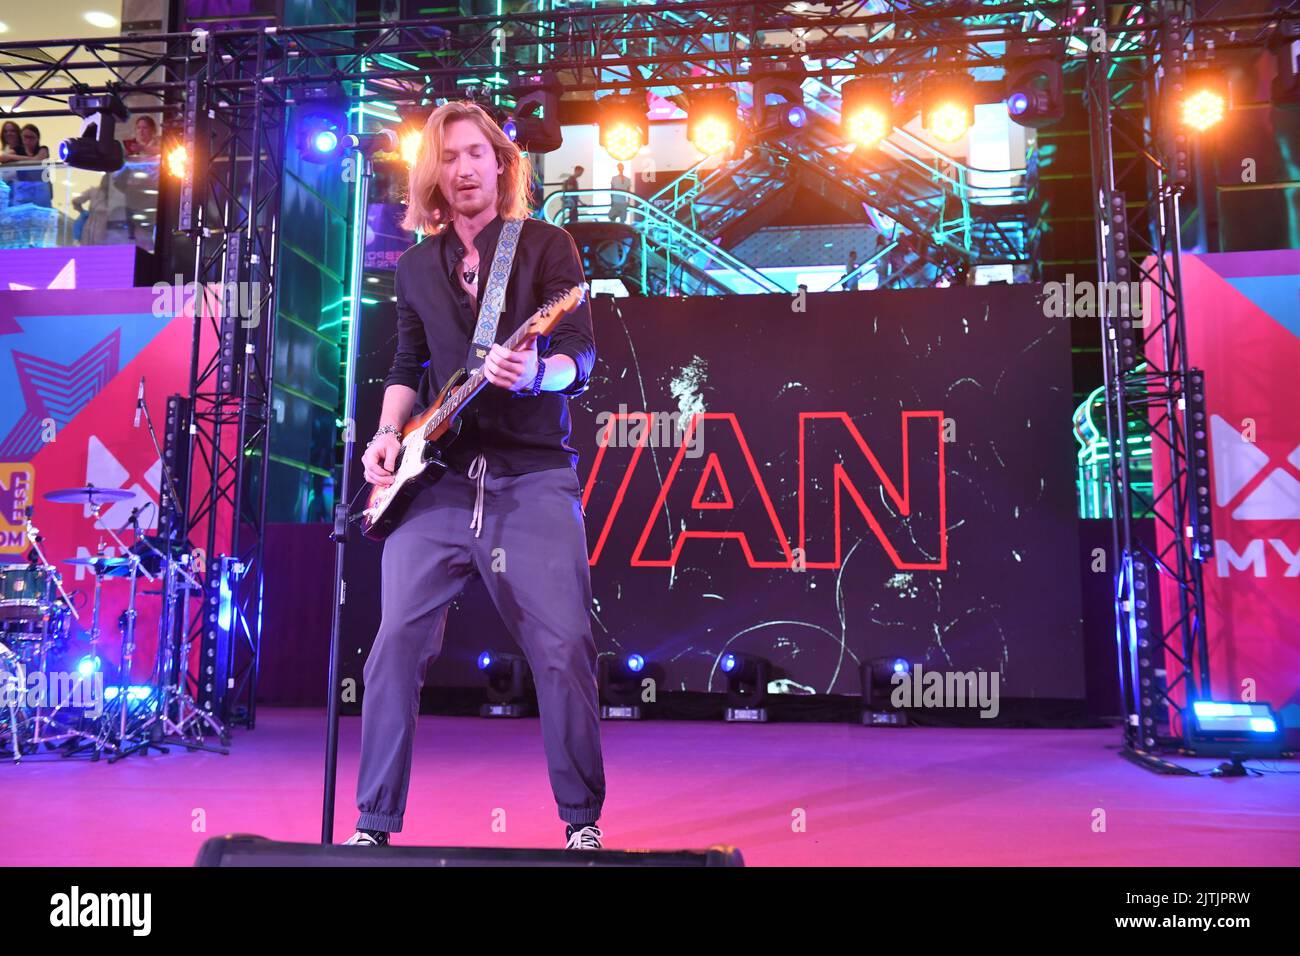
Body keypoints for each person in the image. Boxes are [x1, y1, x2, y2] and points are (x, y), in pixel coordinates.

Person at [350, 101, 605, 851]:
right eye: (448, 157)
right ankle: (373, 826)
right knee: (394, 639)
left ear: (500, 164)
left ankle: (580, 823)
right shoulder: (415, 267)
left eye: (475, 154)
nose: (463, 169)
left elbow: (581, 358)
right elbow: (405, 368)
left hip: (531, 477)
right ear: (433, 174)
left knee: (562, 646)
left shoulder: (546, 247)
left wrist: (533, 373)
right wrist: (387, 436)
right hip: (439, 481)